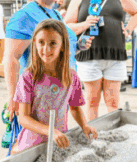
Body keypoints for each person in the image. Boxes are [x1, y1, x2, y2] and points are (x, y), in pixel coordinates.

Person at [9, 19, 97, 153]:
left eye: (53, 43)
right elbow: (24, 118)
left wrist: (85, 125)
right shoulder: (28, 77)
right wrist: (51, 131)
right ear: (35, 43)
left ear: (62, 45)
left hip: (59, 142)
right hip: (32, 145)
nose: (46, 49)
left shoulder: (71, 77)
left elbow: (75, 107)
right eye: (41, 42)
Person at [4, 0, 91, 121]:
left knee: (52, 137)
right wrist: (12, 96)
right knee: (32, 139)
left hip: (58, 95)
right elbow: (11, 58)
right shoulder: (24, 16)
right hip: (37, 97)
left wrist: (79, 46)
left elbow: (58, 47)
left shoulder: (55, 14)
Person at [65, 0, 137, 120]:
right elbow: (67, 27)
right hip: (89, 56)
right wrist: (85, 24)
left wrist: (128, 30)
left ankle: (113, 136)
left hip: (115, 55)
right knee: (92, 103)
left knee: (113, 102)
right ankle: (93, 137)